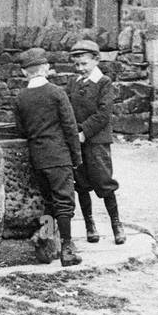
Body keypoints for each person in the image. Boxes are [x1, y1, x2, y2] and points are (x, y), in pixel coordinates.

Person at [12, 47, 83, 267]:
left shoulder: (20, 98)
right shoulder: (56, 93)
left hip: (38, 157)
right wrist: (76, 157)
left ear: (25, 73)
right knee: (65, 203)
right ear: (45, 69)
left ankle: (44, 239)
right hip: (58, 155)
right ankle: (67, 249)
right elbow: (70, 127)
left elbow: (21, 130)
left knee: (49, 202)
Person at [66, 38, 124, 245]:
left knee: (104, 182)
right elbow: (67, 110)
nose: (80, 68)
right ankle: (90, 225)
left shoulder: (104, 83)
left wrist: (84, 132)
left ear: (96, 60)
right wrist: (74, 133)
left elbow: (103, 113)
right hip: (77, 141)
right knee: (81, 184)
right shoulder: (73, 83)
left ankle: (116, 225)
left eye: (84, 64)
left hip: (97, 141)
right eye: (77, 64)